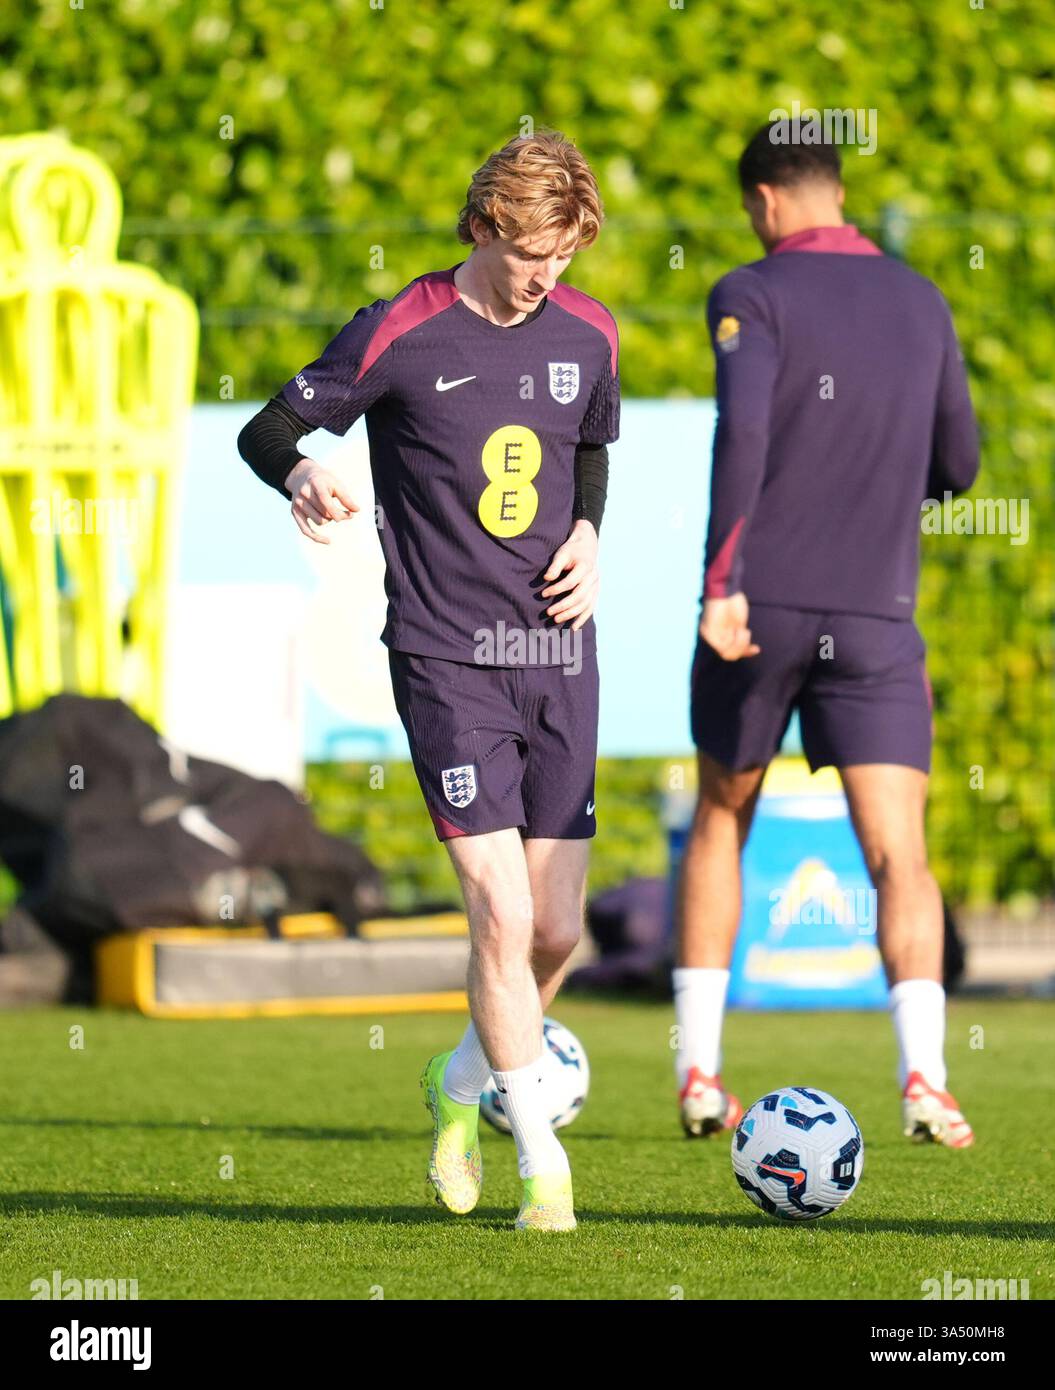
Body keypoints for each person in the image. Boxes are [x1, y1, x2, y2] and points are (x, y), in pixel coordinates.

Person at [238, 131, 619, 1229]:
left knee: (554, 933)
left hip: (557, 653)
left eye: (566, 253)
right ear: (484, 225)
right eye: (533, 250)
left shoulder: (589, 332)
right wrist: (305, 469)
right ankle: (540, 1163)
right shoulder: (403, 327)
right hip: (447, 659)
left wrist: (589, 531)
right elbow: (269, 427)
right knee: (499, 914)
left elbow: (590, 446)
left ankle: (456, 1088)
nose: (550, 273)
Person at [674, 120, 979, 1148]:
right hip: (875, 611)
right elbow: (961, 463)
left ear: (763, 199)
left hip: (759, 608)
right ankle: (927, 1082)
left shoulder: (748, 291)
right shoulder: (920, 297)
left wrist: (721, 581)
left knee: (723, 814)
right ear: (835, 190)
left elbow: (743, 432)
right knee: (900, 854)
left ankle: (699, 1073)